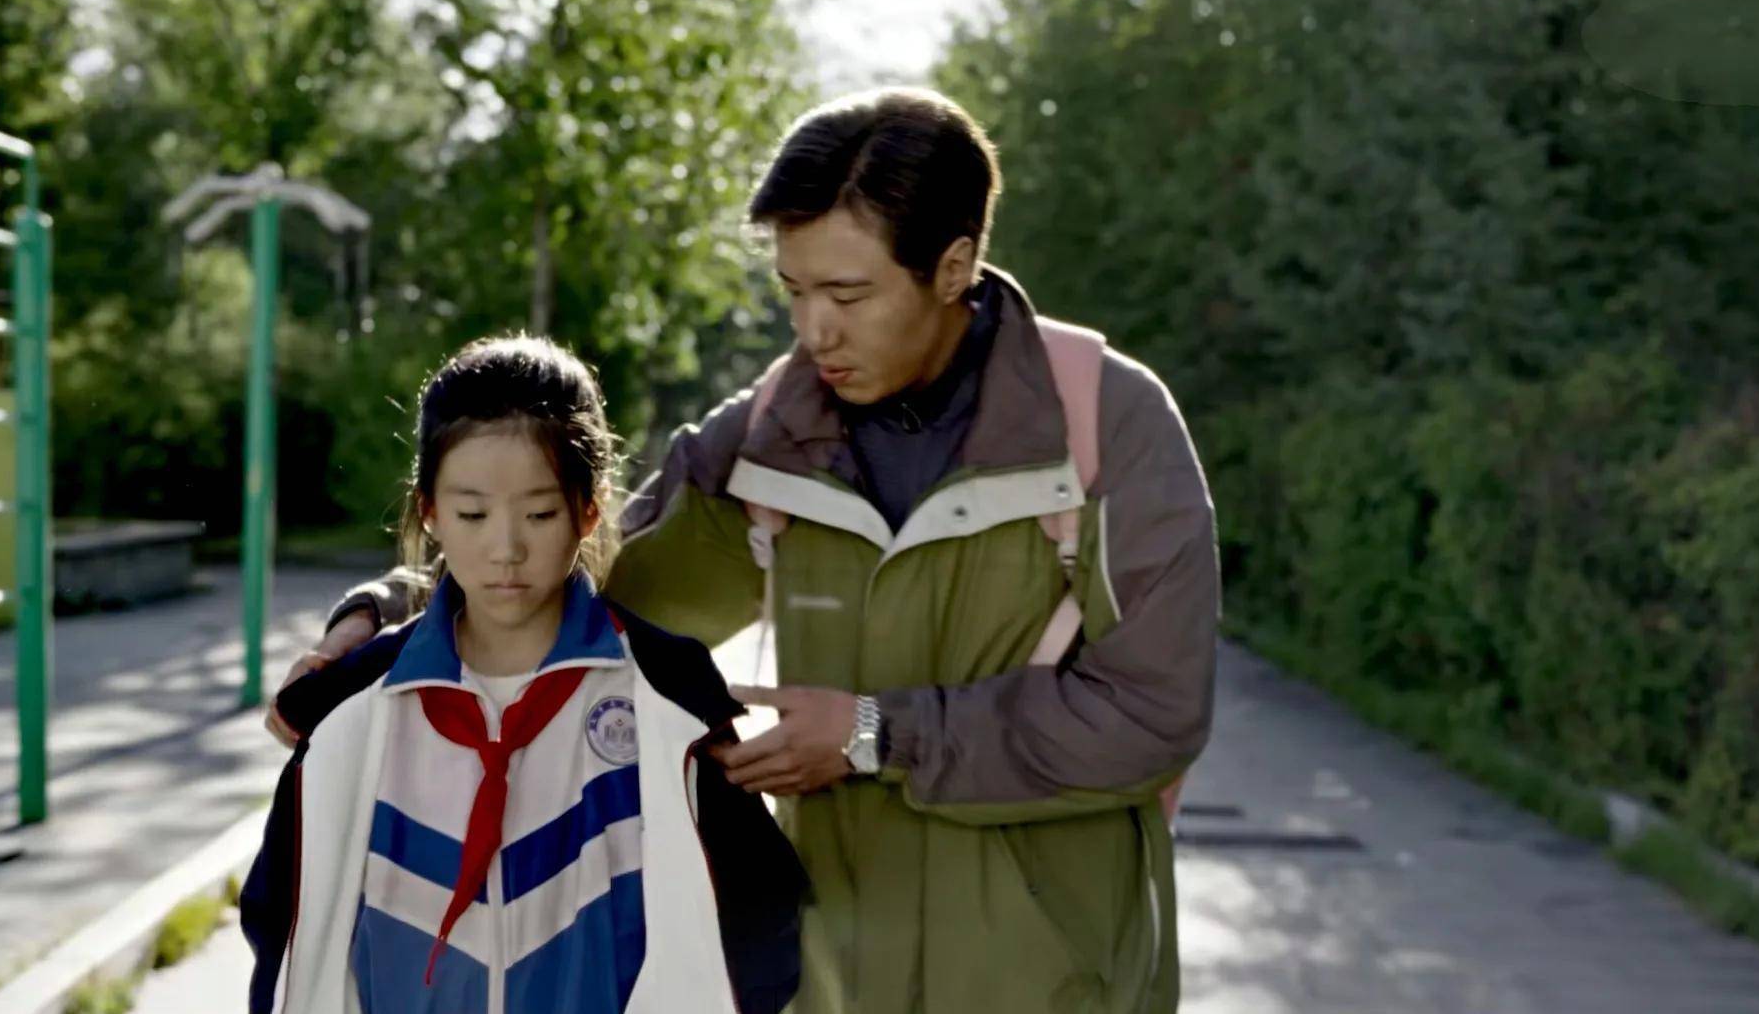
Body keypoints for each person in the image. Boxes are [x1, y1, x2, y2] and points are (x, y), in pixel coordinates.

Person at [284, 88, 1219, 1014]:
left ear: (953, 265)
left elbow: (1153, 713)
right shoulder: (777, 430)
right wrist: (386, 614)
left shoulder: (1106, 426)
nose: (814, 330)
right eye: (793, 291)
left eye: (847, 294)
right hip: (834, 983)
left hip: (1057, 980)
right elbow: (580, 572)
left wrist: (873, 733)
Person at [238, 335, 804, 1014]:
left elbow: (759, 920)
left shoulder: (666, 698)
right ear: (429, 510)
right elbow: (284, 931)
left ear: (588, 509)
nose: (505, 548)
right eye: (472, 514)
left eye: (539, 513)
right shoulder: (353, 711)